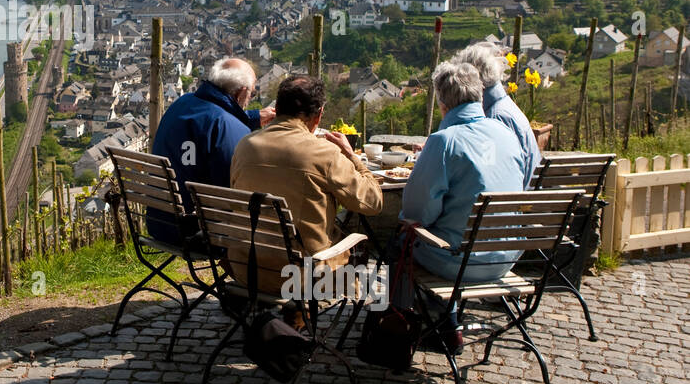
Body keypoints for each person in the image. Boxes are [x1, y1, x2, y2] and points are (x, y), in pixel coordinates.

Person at [227, 75, 383, 294]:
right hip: (298, 277)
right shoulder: (324, 153)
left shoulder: (245, 145)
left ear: (277, 107)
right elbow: (373, 203)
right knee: (357, 245)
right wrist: (350, 155)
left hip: (245, 267)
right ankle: (304, 312)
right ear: (318, 115)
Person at [401, 61, 528, 284]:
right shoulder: (506, 134)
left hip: (457, 261)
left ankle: (425, 314)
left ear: (442, 103)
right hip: (505, 258)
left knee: (399, 241)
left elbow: (418, 214)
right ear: (480, 94)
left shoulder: (444, 141)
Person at [145, 57, 274, 245]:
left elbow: (211, 117)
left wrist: (251, 118)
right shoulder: (228, 127)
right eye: (252, 94)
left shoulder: (182, 103)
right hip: (196, 232)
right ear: (242, 92)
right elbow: (233, 187)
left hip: (160, 223)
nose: (250, 99)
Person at [452, 42, 540, 189]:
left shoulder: (495, 119)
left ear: (474, 80)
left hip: (512, 206)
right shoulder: (503, 107)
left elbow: (488, 174)